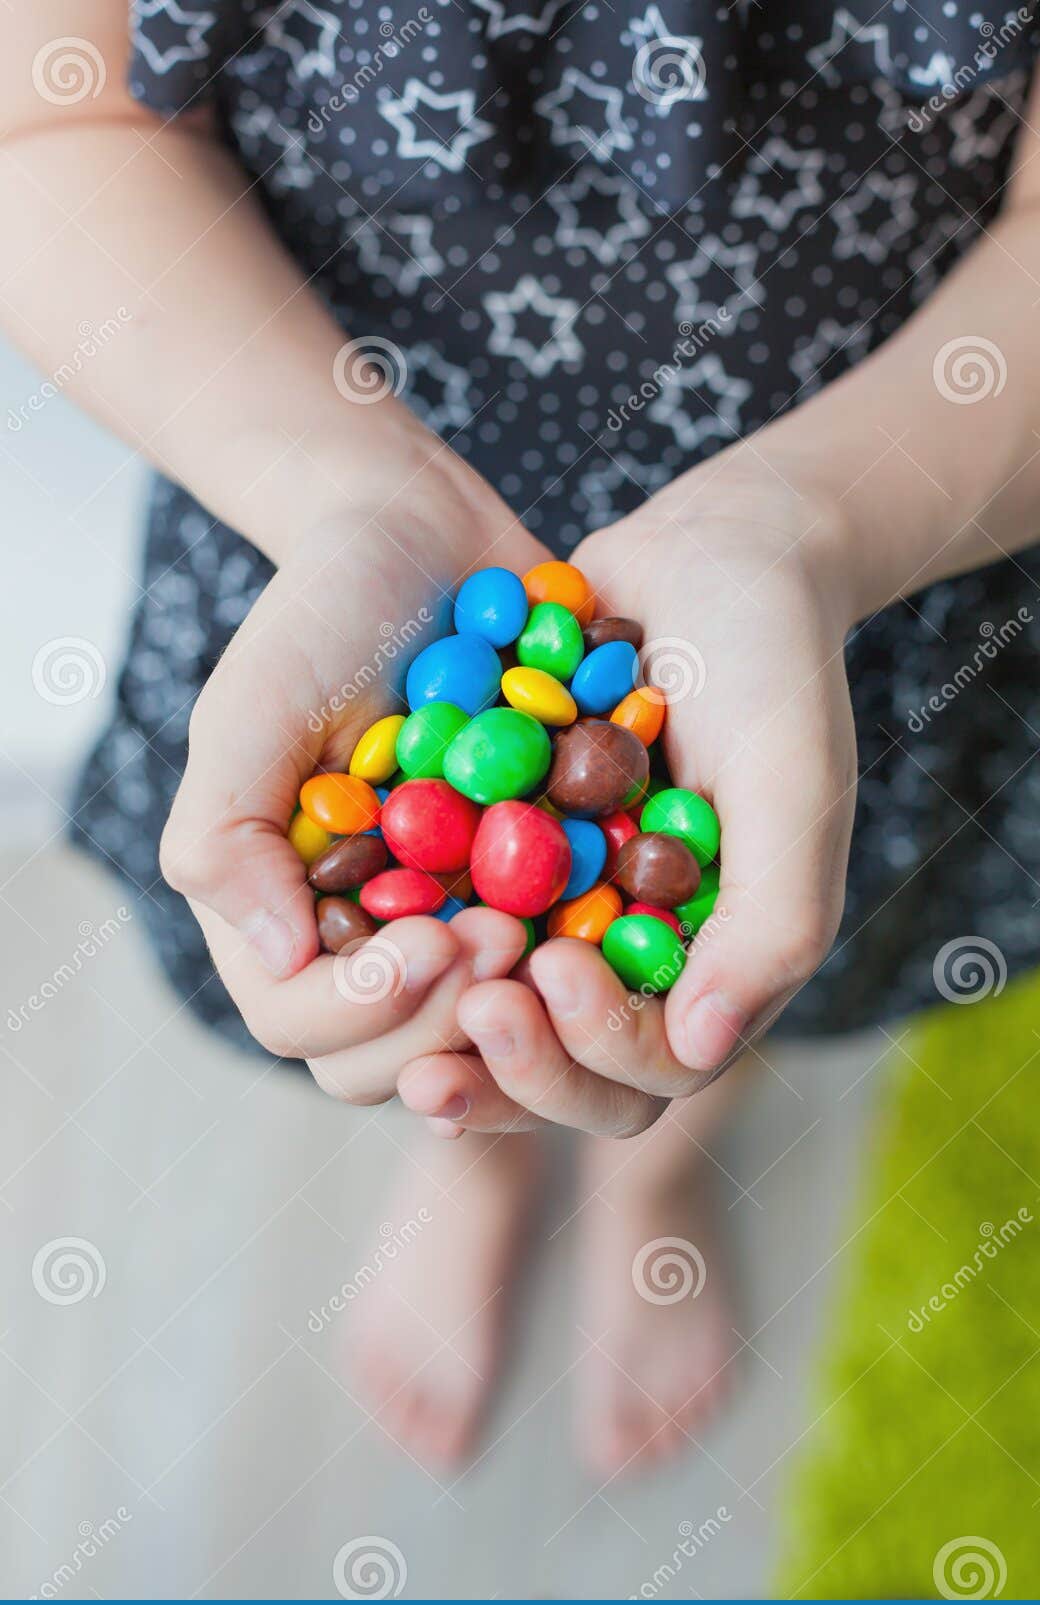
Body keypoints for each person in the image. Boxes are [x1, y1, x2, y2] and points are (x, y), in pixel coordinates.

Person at [4, 0, 1039, 1474]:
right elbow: (52, 119)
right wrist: (355, 498)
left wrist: (806, 531)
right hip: (321, 495)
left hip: (896, 521)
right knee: (464, 999)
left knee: (742, 932)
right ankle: (471, 1154)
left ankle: (660, 1171)